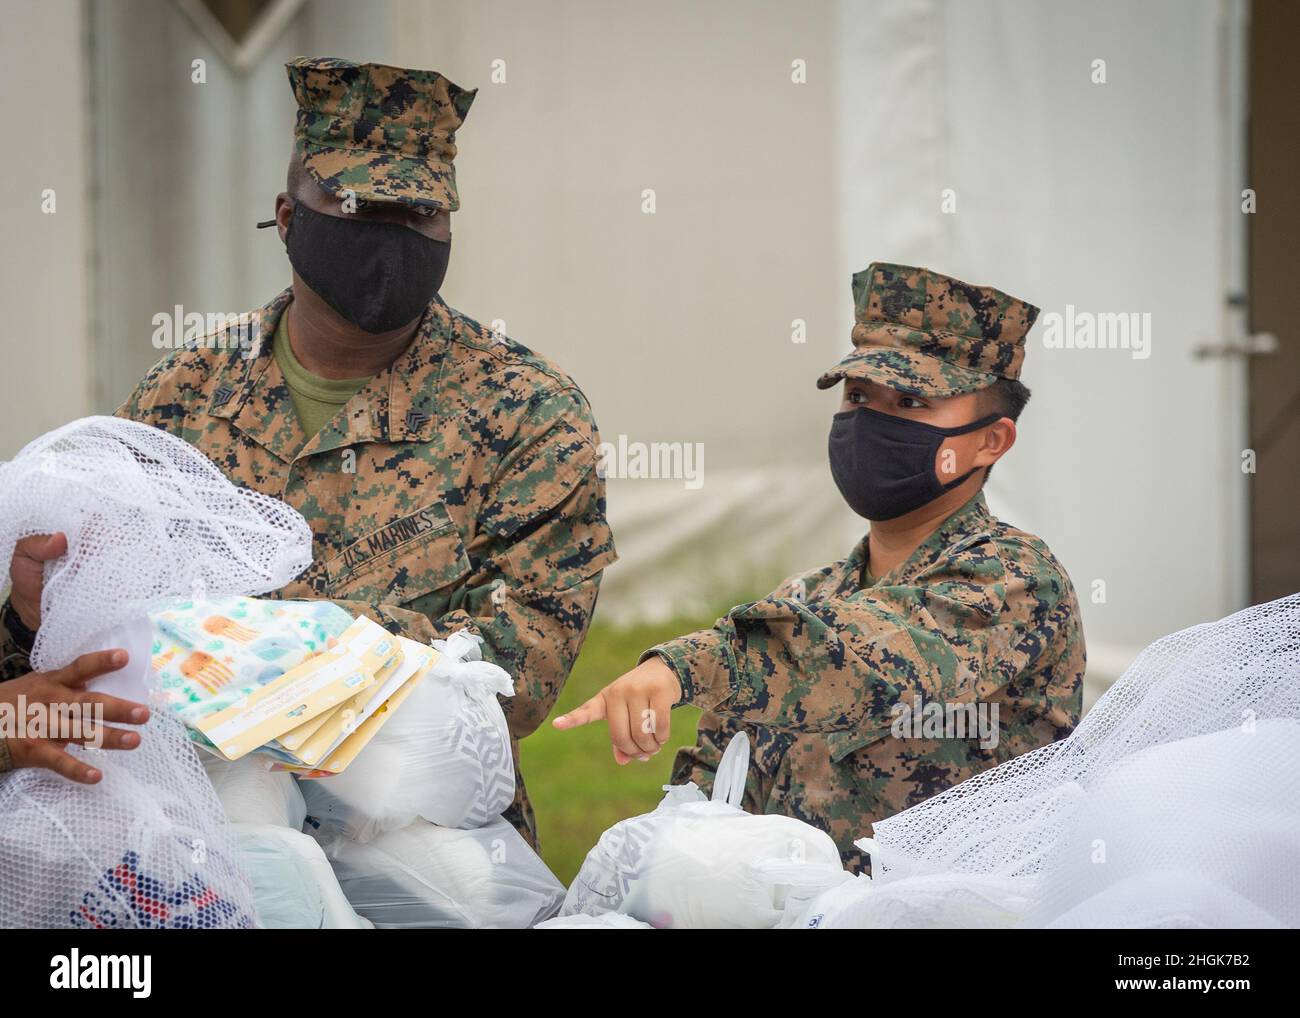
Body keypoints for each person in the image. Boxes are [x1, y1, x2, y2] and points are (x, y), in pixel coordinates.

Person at [103, 58, 616, 850]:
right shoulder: (181, 398)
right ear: (286, 215)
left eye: (419, 212)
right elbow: (93, 632)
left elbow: (515, 675)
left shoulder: (529, 413)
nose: (392, 232)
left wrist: (259, 652)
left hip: (423, 857)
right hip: (203, 845)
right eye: (359, 204)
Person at [555, 262, 1085, 870]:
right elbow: (715, 787)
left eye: (912, 402)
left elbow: (856, 661)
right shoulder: (810, 596)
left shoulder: (1016, 580)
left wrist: (679, 669)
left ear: (990, 441)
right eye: (859, 396)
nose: (872, 423)